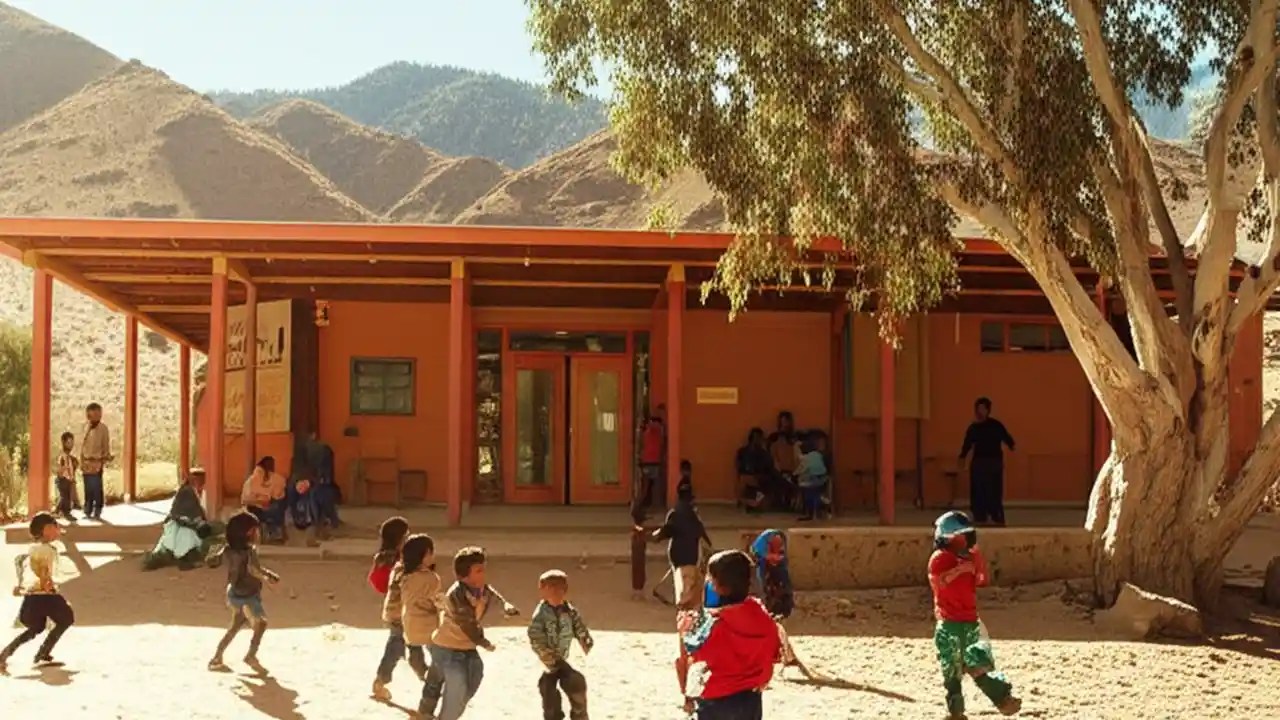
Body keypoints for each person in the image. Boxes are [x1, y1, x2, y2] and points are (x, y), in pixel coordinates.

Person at [929, 511, 1022, 719]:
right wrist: (959, 569)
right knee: (951, 671)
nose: (965, 540)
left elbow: (981, 579)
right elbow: (939, 582)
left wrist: (975, 557)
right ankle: (955, 711)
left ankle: (1003, 699)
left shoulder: (970, 556)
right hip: (949, 624)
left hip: (971, 621)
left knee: (979, 665)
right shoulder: (939, 559)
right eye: (960, 537)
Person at [676, 550, 781, 720]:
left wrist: (687, 696)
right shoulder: (764, 618)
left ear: (720, 587)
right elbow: (773, 654)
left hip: (715, 702)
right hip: (751, 701)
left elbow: (686, 660)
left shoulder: (708, 623)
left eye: (711, 578)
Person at [422, 546, 520, 720]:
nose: (483, 574)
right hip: (446, 648)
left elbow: (494, 597)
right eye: (478, 571)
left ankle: (430, 712)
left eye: (483, 569)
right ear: (464, 575)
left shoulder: (481, 589)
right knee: (454, 687)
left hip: (465, 648)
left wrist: (506, 607)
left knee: (473, 676)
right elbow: (467, 624)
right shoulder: (456, 595)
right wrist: (484, 642)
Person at [0, 512, 76, 672]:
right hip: (44, 595)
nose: (58, 530)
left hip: (32, 598)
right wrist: (46, 583)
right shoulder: (45, 550)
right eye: (55, 526)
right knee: (66, 618)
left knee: (36, 627)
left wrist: (23, 587)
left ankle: (5, 654)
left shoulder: (34, 548)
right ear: (47, 529)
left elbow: (26, 568)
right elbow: (41, 569)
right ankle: (42, 653)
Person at [207, 510, 279, 671]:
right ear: (249, 533)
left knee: (236, 625)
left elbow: (212, 560)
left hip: (233, 593)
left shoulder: (228, 549)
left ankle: (217, 656)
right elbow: (254, 569)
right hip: (249, 595)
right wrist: (268, 577)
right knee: (261, 623)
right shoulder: (249, 552)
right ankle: (251, 655)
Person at [527, 569, 594, 720]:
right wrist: (545, 653)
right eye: (553, 590)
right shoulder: (541, 613)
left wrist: (585, 639)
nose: (558, 594)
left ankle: (579, 715)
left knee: (576, 685)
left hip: (562, 657)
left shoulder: (569, 611)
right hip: (548, 661)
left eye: (560, 590)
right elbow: (535, 634)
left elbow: (578, 626)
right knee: (548, 693)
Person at [369, 516, 422, 701]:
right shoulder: (400, 562)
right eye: (406, 535)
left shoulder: (382, 558)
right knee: (402, 646)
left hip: (396, 611)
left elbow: (376, 582)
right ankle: (428, 681)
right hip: (402, 613)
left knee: (401, 646)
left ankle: (426, 679)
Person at [652, 475, 712, 611]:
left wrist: (656, 536)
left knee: (684, 591)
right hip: (691, 556)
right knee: (688, 589)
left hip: (678, 557)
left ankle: (685, 617)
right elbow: (701, 532)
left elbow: (667, 531)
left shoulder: (674, 513)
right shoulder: (694, 515)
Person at [143, 471, 224, 571]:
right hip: (182, 526)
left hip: (183, 525)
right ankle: (184, 559)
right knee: (190, 539)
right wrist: (199, 522)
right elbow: (188, 515)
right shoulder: (187, 492)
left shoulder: (192, 492)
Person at [400, 534, 444, 716]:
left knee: (415, 653)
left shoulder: (402, 575)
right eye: (430, 553)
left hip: (409, 623)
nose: (432, 557)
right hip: (429, 625)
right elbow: (437, 601)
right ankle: (430, 694)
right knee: (438, 662)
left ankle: (421, 672)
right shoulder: (432, 579)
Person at [958, 397, 1016, 526]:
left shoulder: (996, 425)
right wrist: (962, 457)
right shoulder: (973, 428)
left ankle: (996, 517)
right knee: (978, 490)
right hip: (979, 463)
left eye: (982, 409)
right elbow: (967, 444)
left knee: (994, 491)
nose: (980, 412)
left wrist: (1012, 445)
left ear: (988, 410)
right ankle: (980, 516)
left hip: (994, 463)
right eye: (978, 409)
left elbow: (1007, 438)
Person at [748, 529, 794, 620]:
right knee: (762, 584)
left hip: (770, 562)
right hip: (762, 561)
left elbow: (778, 556)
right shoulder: (761, 550)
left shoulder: (775, 539)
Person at [241, 456, 287, 542]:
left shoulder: (275, 479)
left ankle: (274, 533)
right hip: (255, 507)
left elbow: (279, 494)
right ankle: (271, 532)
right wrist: (260, 501)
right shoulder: (252, 481)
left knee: (278, 507)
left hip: (270, 505)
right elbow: (245, 500)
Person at [80, 402, 111, 520]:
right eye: (92, 414)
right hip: (86, 461)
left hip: (97, 461)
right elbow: (81, 445)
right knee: (87, 487)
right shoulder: (85, 427)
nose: (96, 417)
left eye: (98, 414)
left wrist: (103, 459)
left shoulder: (103, 429)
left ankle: (98, 508)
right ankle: (87, 509)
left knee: (96, 487)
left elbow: (105, 445)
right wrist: (81, 461)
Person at [734, 428, 772, 513]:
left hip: (760, 478)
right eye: (755, 438)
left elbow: (767, 469)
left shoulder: (764, 453)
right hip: (746, 476)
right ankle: (748, 502)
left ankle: (753, 503)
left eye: (759, 438)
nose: (757, 440)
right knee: (744, 481)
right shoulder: (743, 451)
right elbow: (738, 465)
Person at [794, 434, 830, 522]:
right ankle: (821, 506)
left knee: (807, 494)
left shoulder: (806, 458)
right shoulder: (818, 455)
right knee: (814, 494)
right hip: (823, 479)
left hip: (812, 481)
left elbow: (801, 469)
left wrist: (794, 474)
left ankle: (810, 513)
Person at [767, 411, 798, 509]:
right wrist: (780, 470)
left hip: (794, 469)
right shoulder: (774, 439)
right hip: (779, 469)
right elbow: (773, 457)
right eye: (782, 421)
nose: (784, 424)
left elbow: (798, 456)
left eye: (786, 421)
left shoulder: (794, 439)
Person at [637, 411, 665, 509]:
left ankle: (642, 504)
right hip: (655, 461)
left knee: (646, 485)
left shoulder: (647, 431)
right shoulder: (659, 431)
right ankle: (654, 504)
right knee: (654, 485)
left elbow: (642, 445)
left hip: (647, 461)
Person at [54, 432, 78, 523]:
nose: (71, 445)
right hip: (63, 479)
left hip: (68, 480)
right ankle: (65, 512)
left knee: (66, 496)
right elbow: (60, 468)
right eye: (69, 442)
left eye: (72, 442)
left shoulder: (70, 457)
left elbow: (72, 467)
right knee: (65, 497)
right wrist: (62, 475)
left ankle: (59, 511)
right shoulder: (62, 456)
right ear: (64, 443)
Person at [630, 501, 649, 601]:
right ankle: (638, 591)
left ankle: (637, 590)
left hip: (638, 553)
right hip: (639, 553)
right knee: (639, 571)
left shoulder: (636, 531)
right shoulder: (638, 532)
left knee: (638, 570)